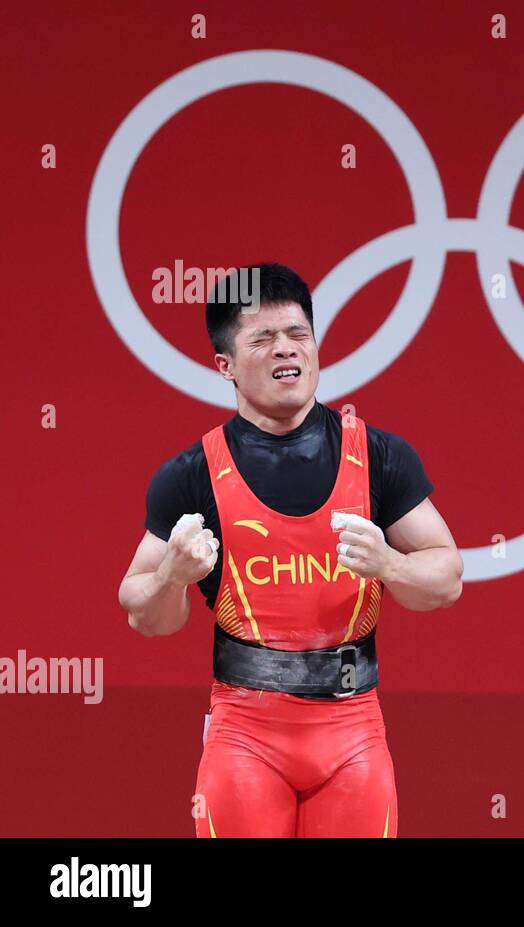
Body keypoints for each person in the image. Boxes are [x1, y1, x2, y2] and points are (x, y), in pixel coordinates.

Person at [117, 263, 463, 837]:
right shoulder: (190, 476)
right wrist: (171, 578)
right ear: (224, 366)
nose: (288, 350)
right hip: (245, 734)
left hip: (353, 732)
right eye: (264, 338)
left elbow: (447, 580)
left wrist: (390, 564)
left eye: (299, 334)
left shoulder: (379, 456)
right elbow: (141, 612)